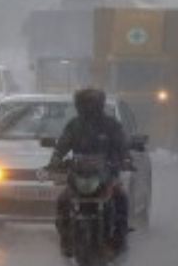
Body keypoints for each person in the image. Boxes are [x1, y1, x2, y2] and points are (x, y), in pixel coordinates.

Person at [49, 88, 132, 256]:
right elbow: (63, 144)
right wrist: (56, 159)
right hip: (79, 175)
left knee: (121, 198)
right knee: (63, 200)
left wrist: (125, 159)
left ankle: (118, 240)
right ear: (79, 105)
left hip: (106, 175)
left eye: (93, 103)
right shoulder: (74, 125)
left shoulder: (111, 125)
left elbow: (121, 144)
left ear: (100, 105)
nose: (89, 107)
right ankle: (66, 240)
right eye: (85, 103)